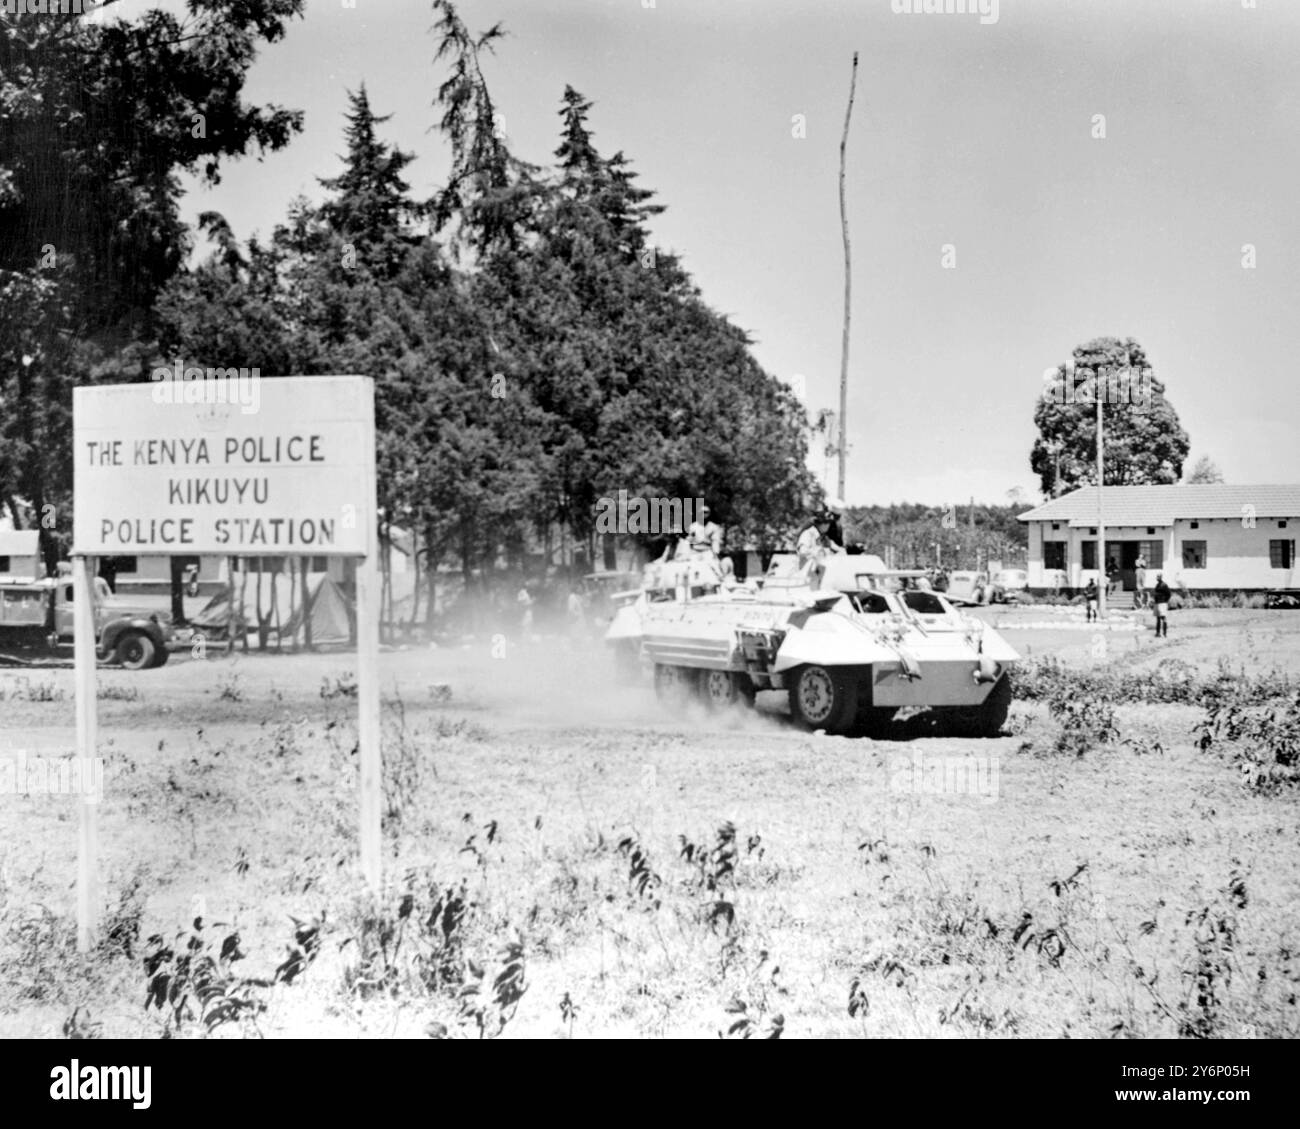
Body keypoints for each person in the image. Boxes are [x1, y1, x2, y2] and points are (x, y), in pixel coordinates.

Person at [1153, 573, 1171, 638]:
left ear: (1161, 577)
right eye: (1157, 576)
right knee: (1158, 619)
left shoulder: (1164, 585)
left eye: (1158, 576)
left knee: (1163, 618)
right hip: (1157, 603)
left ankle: (1164, 633)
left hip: (1162, 603)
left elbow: (1168, 594)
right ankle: (1158, 633)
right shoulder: (1157, 585)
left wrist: (1165, 601)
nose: (1157, 578)